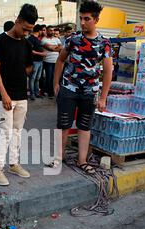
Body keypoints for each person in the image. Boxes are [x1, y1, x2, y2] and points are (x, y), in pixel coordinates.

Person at [50, 0, 113, 173]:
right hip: (68, 89)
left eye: (87, 19)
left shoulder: (104, 44)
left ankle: (82, 160)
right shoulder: (73, 39)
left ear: (96, 20)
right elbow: (60, 60)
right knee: (63, 125)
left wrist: (103, 97)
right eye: (81, 19)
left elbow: (108, 72)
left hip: (89, 92)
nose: (83, 22)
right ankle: (58, 158)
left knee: (85, 126)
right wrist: (56, 83)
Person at [0, 4, 37, 186]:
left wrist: (20, 73)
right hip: (6, 96)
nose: (26, 33)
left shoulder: (27, 43)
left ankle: (14, 164)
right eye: (25, 28)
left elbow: (29, 66)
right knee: (5, 133)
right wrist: (4, 94)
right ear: (17, 21)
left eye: (30, 30)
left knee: (17, 132)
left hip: (21, 95)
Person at [41, 25, 62, 99]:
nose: (52, 32)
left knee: (55, 77)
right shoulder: (44, 39)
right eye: (50, 30)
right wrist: (55, 47)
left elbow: (61, 48)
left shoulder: (56, 39)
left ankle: (54, 91)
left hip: (56, 61)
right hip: (48, 61)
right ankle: (50, 93)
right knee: (49, 77)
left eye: (53, 30)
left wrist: (54, 48)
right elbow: (50, 48)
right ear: (47, 31)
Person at [27, 24, 46, 100]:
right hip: (35, 61)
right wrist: (41, 53)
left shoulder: (37, 38)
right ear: (39, 31)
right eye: (42, 30)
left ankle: (36, 93)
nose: (42, 32)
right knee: (33, 78)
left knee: (37, 78)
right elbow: (30, 51)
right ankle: (32, 94)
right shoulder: (31, 39)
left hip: (40, 61)